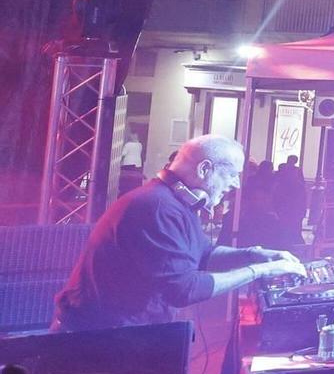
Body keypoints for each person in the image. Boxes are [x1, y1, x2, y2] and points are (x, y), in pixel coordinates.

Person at [52, 135, 306, 332]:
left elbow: (204, 254)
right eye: (232, 174)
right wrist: (259, 272)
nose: (236, 184)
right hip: (99, 340)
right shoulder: (157, 208)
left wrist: (255, 255)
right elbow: (184, 289)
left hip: (120, 333)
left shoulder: (172, 201)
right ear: (205, 169)